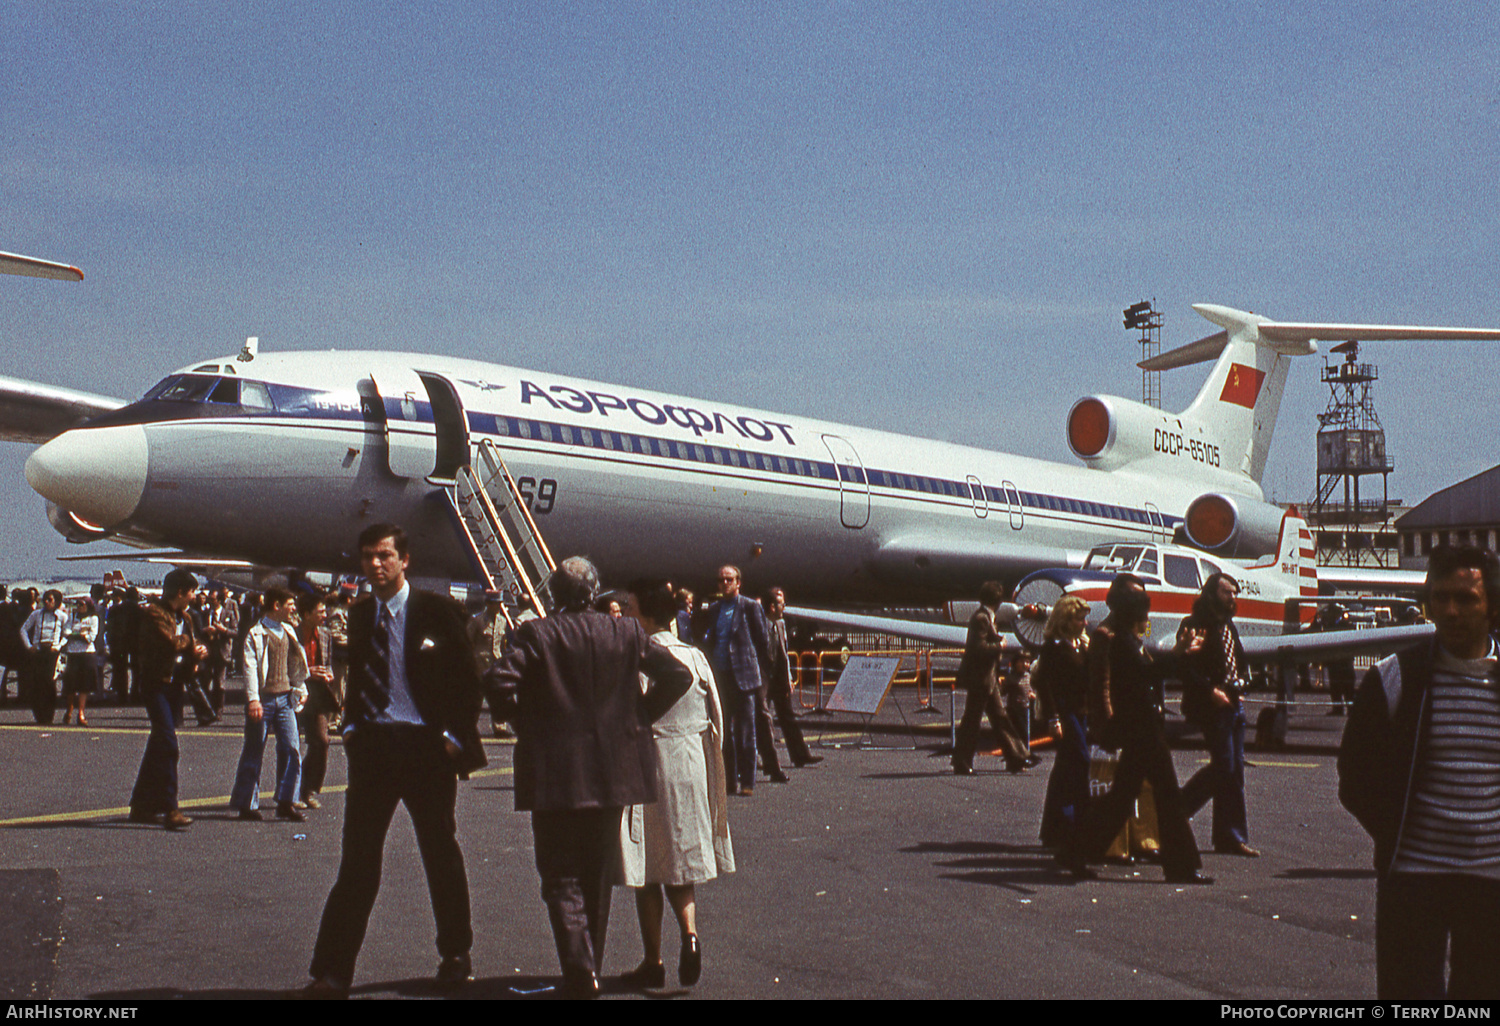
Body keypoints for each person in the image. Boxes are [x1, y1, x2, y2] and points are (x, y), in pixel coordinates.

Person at [492, 556, 694, 999]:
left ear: (554, 596)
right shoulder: (625, 632)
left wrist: (530, 723)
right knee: (597, 876)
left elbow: (499, 684)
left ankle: (581, 971)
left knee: (560, 875)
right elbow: (679, 675)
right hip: (614, 772)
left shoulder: (537, 634)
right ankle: (590, 969)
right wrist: (638, 719)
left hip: (555, 774)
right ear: (596, 591)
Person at [305, 523, 486, 996]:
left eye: (384, 556)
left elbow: (468, 678)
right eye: (367, 557)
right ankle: (332, 971)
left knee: (439, 852)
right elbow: (363, 675)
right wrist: (353, 727)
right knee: (358, 861)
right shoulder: (363, 615)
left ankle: (455, 954)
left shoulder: (437, 611)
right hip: (376, 748)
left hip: (426, 748)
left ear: (405, 561)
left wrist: (453, 737)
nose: (375, 565)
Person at [1339, 544, 1500, 999]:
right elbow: (1354, 776)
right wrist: (1397, 834)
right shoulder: (1394, 679)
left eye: (1467, 598)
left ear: (1493, 604)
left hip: (1492, 883)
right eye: (1441, 597)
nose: (1451, 610)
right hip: (1413, 881)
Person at [618, 580, 734, 991]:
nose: (627, 613)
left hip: (652, 763)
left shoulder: (641, 658)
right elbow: (716, 717)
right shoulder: (697, 657)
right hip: (691, 762)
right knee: (681, 861)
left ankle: (653, 960)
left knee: (648, 866)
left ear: (648, 614)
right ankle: (691, 934)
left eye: (631, 607)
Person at [1063, 574, 1210, 884]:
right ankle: (1180, 865)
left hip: (1143, 728)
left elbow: (1147, 670)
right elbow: (1139, 675)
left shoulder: (1127, 637)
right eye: (1138, 598)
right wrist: (1178, 653)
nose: (1144, 605)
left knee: (1127, 797)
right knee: (1160, 796)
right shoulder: (1113, 638)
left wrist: (1178, 654)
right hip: (1138, 729)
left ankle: (1075, 850)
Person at [1175, 573, 1258, 858]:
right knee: (1223, 766)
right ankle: (1178, 810)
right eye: (1226, 592)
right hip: (1212, 706)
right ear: (1211, 593)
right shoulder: (1194, 625)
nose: (1232, 598)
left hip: (1234, 703)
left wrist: (1243, 682)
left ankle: (1231, 836)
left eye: (1234, 593)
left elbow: (1239, 658)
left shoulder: (1227, 625)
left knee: (1234, 770)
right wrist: (1210, 690)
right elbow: (1186, 667)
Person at [128, 569, 207, 830]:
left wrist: (197, 653)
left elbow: (186, 648)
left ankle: (141, 805)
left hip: (175, 683)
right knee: (169, 743)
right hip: (155, 684)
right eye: (192, 591)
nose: (195, 596)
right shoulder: (154, 613)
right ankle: (170, 807)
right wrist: (190, 644)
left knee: (159, 743)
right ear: (180, 592)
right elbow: (170, 643)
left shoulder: (185, 617)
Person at [230, 586, 308, 822]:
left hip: (285, 699)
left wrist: (300, 688)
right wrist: (253, 699)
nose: (293, 608)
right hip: (263, 700)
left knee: (292, 749)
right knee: (254, 750)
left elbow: (293, 665)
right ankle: (247, 803)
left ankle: (286, 801)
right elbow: (250, 668)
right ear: (277, 606)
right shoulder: (255, 633)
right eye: (290, 604)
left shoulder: (288, 630)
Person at [702, 565, 775, 795]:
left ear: (738, 582)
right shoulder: (714, 609)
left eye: (729, 580)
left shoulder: (750, 607)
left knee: (746, 731)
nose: (724, 584)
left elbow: (763, 642)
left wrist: (763, 675)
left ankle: (748, 782)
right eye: (721, 580)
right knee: (725, 733)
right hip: (721, 676)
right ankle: (729, 781)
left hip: (744, 678)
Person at [952, 581, 1037, 775]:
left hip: (987, 678)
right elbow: (977, 648)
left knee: (999, 718)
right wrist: (1000, 646)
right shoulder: (982, 618)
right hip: (981, 678)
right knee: (974, 721)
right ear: (998, 600)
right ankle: (962, 761)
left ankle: (1017, 757)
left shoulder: (986, 617)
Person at [1035, 595, 1091, 852]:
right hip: (1066, 711)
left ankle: (1054, 828)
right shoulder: (1054, 647)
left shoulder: (1079, 645)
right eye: (1080, 619)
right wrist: (1053, 717)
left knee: (1065, 768)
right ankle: (1069, 824)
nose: (1085, 623)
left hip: (1081, 710)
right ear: (1067, 621)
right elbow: (1045, 685)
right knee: (1079, 762)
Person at [763, 588, 822, 769]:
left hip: (778, 679)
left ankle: (800, 755)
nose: (784, 607)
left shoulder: (781, 624)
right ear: (772, 606)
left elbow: (784, 653)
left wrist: (788, 677)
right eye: (781, 603)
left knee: (788, 717)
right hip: (763, 680)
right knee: (760, 720)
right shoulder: (759, 625)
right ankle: (759, 759)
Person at [297, 590, 339, 810]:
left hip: (317, 694)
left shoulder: (325, 634)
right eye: (320, 612)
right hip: (294, 690)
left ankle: (309, 789)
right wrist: (308, 672)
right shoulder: (291, 634)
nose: (325, 615)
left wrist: (328, 673)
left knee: (322, 742)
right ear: (306, 614)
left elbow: (328, 662)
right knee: (291, 746)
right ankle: (292, 791)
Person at [21, 589, 69, 725]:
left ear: (57, 602)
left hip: (52, 653)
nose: (46, 602)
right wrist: (29, 646)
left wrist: (59, 645)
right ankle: (38, 715)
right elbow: (23, 629)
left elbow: (67, 633)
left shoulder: (62, 616)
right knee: (37, 684)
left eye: (50, 600)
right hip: (38, 652)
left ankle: (49, 715)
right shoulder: (36, 614)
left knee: (49, 684)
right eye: (45, 599)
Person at [60, 597, 100, 727]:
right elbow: (66, 632)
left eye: (82, 604)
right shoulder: (72, 617)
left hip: (87, 653)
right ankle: (69, 709)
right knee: (70, 684)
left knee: (84, 685)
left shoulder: (93, 619)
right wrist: (79, 634)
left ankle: (81, 712)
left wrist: (77, 635)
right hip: (73, 653)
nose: (79, 606)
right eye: (77, 604)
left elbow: (91, 637)